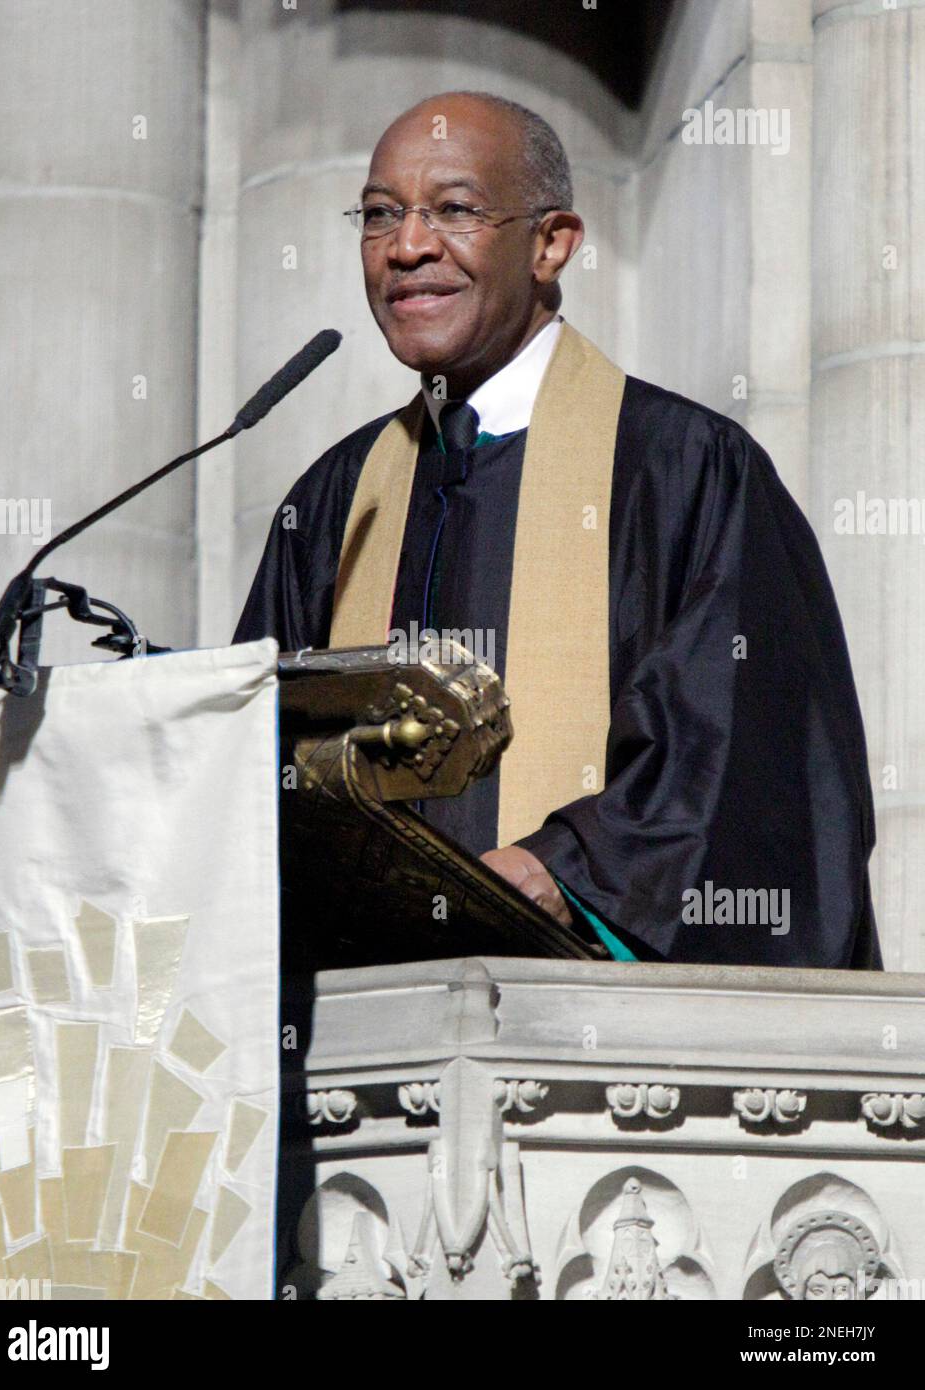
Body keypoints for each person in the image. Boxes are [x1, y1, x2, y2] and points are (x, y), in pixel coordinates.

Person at [235, 91, 881, 970]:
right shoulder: (340, 496)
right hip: (362, 1028)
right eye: (380, 215)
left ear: (551, 244)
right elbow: (253, 770)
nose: (407, 247)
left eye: (454, 210)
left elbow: (749, 762)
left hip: (588, 1035)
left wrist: (562, 870)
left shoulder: (682, 469)